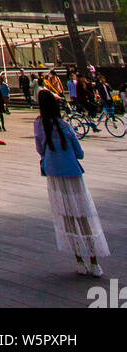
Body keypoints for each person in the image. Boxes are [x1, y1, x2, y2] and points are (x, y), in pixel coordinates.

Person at [35, 90, 108, 276]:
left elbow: (40, 148)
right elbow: (79, 152)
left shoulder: (39, 125)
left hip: (54, 173)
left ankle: (79, 261)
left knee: (67, 216)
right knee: (83, 217)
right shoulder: (65, 126)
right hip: (72, 172)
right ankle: (94, 262)